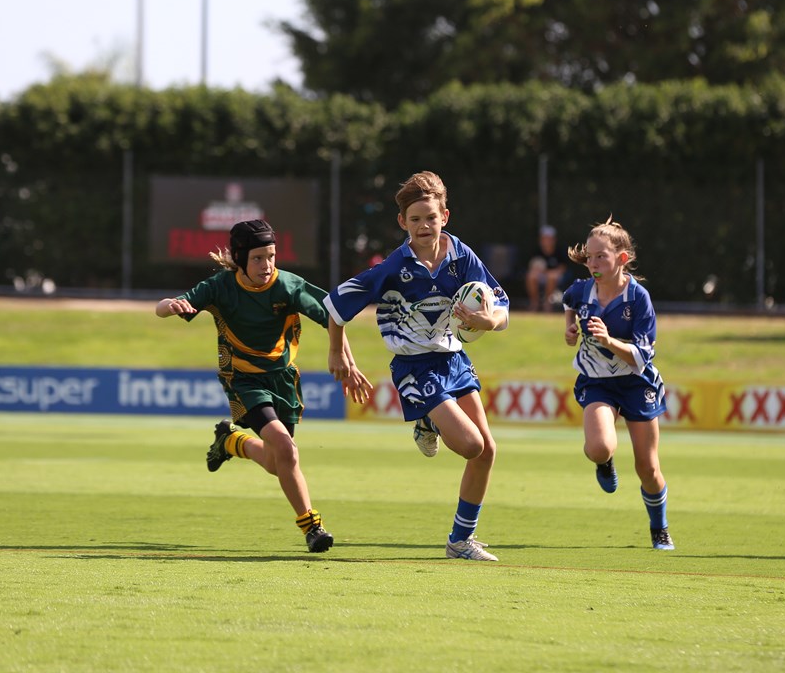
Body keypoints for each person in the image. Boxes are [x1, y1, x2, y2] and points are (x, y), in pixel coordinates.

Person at [324, 171, 510, 561]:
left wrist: (488, 321)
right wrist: (337, 352)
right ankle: (428, 419)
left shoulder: (462, 256)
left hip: (454, 359)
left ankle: (460, 542)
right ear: (402, 222)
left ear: (445, 216)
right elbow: (337, 304)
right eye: (415, 219)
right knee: (471, 444)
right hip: (415, 367)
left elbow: (501, 306)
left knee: (487, 451)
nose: (424, 225)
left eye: (431, 217)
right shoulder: (395, 266)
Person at [156, 219, 372, 554]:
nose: (267, 264)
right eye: (258, 258)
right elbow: (162, 308)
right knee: (286, 449)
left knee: (277, 461)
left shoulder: (288, 286)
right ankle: (312, 527)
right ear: (240, 259)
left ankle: (231, 442)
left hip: (283, 380)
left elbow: (334, 314)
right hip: (242, 380)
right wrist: (170, 306)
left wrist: (349, 363)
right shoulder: (220, 287)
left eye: (271, 256)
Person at [562, 217, 674, 551]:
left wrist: (608, 340)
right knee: (598, 447)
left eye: (602, 257)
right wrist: (569, 328)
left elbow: (643, 356)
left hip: (637, 383)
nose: (593, 264)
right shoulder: (582, 290)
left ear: (622, 259)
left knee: (648, 467)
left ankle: (659, 528)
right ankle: (604, 462)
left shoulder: (638, 298)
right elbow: (568, 300)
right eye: (590, 257)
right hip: (598, 382)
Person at [525, 225, 567, 313]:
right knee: (531, 276)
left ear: (553, 239)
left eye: (549, 238)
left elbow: (562, 268)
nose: (547, 241)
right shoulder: (536, 251)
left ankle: (547, 304)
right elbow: (532, 267)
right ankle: (534, 303)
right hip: (541, 276)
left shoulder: (559, 251)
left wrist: (550, 272)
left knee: (552, 276)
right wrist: (538, 271)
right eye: (544, 238)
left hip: (555, 277)